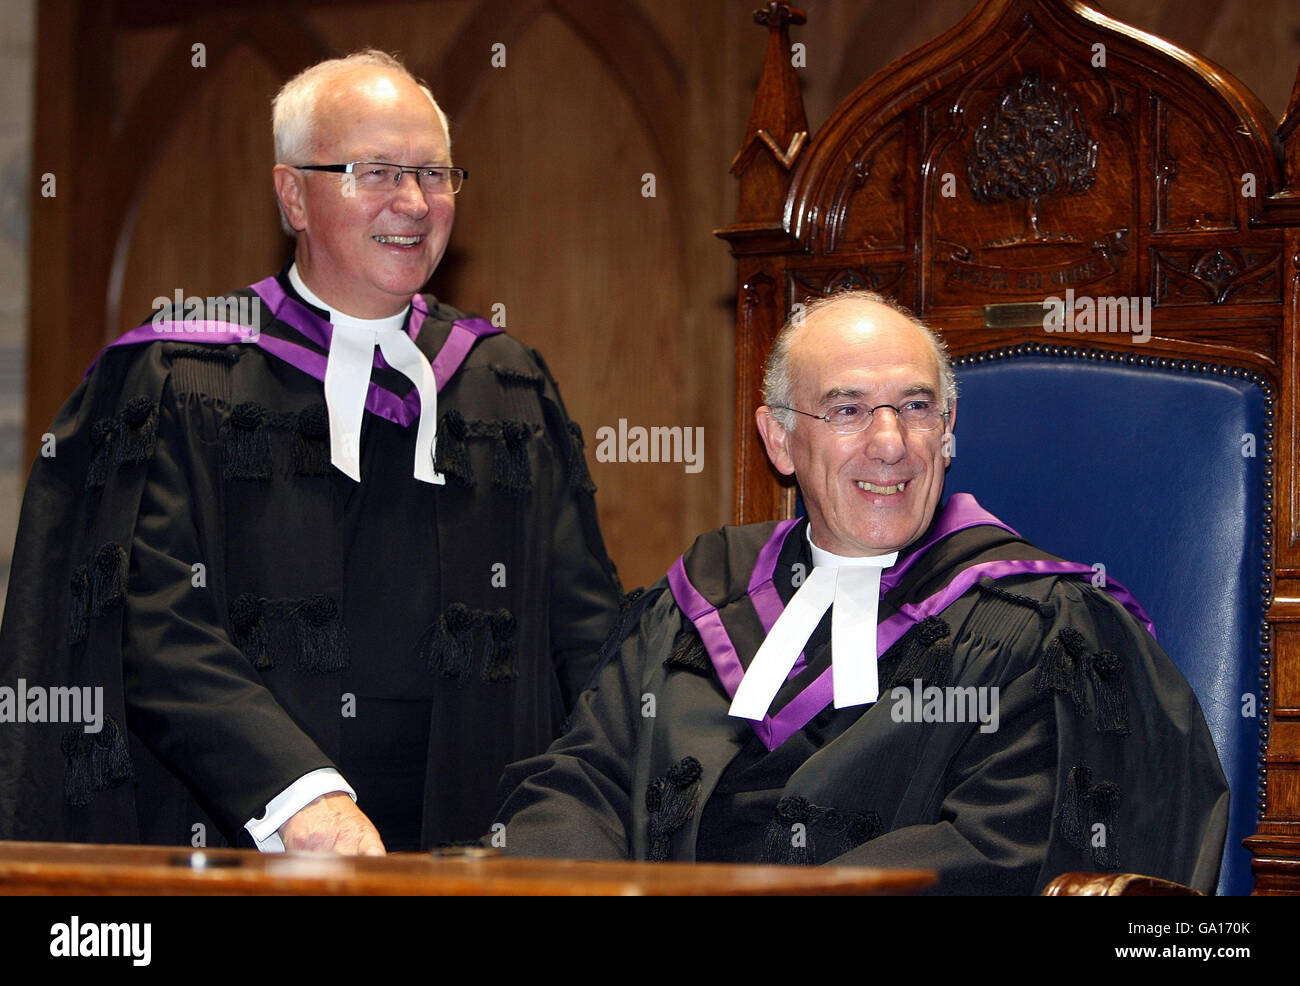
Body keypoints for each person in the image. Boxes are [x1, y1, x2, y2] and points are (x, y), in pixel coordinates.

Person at [0, 50, 621, 854]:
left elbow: (583, 630)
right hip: (241, 836)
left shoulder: (505, 384)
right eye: (375, 171)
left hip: (472, 843)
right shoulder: (182, 373)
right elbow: (151, 619)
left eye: (434, 174)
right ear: (292, 193)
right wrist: (298, 797)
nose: (414, 201)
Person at [493, 291, 1229, 894]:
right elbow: (582, 778)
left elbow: (1009, 853)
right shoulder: (700, 601)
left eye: (916, 408)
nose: (890, 441)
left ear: (948, 433)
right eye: (847, 409)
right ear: (779, 440)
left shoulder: (1039, 627)